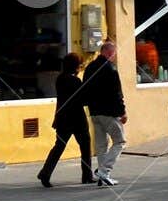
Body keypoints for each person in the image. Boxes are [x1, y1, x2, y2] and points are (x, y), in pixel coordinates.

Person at [37, 53, 93, 187]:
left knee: (59, 147)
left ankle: (45, 172)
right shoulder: (75, 81)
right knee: (85, 147)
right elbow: (82, 100)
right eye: (79, 65)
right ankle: (86, 175)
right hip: (77, 119)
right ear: (75, 66)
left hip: (63, 119)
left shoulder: (60, 79)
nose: (80, 67)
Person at [82, 41, 127, 187]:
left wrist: (90, 106)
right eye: (114, 53)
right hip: (108, 112)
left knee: (101, 145)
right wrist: (122, 112)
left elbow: (85, 90)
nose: (114, 56)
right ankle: (104, 170)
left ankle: (103, 176)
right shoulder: (110, 69)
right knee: (120, 141)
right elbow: (116, 93)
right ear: (109, 53)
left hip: (94, 112)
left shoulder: (89, 68)